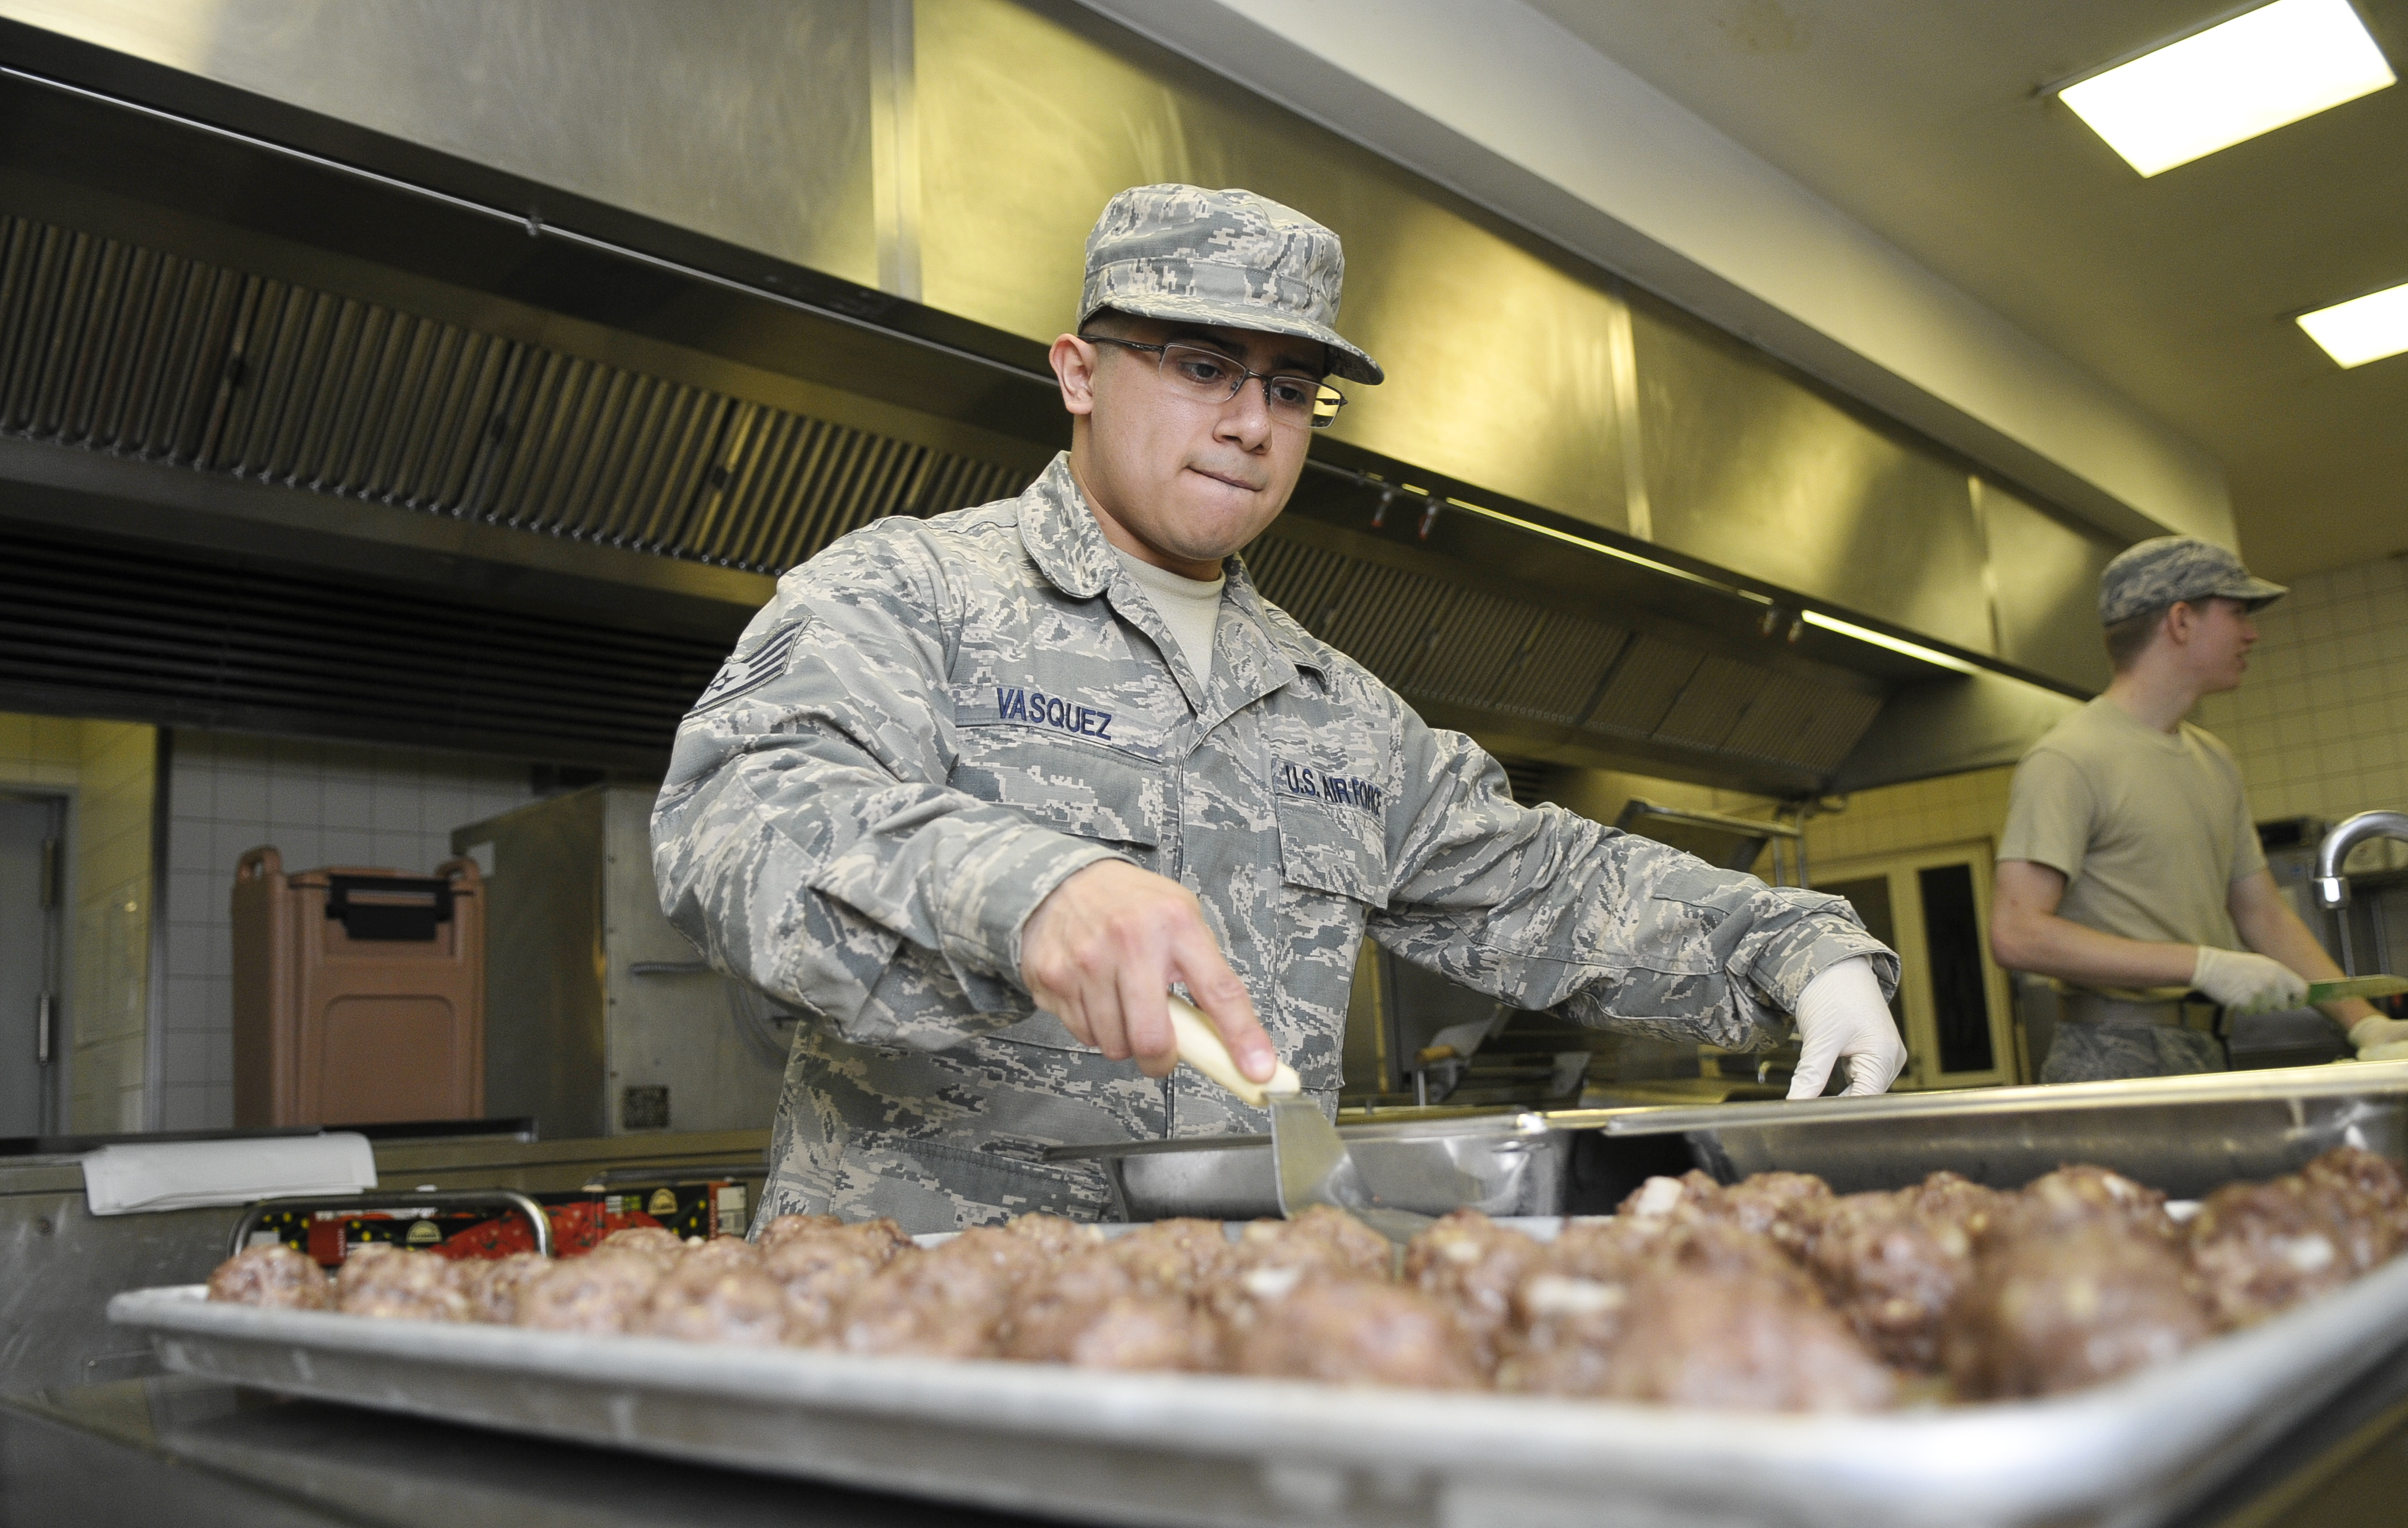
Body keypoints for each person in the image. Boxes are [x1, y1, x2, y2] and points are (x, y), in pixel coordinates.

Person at [653, 183, 1906, 1230]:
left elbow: (1549, 881)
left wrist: (1795, 947)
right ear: (1079, 373)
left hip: (1233, 1341)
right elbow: (737, 821)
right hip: (918, 1346)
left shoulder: (1334, 711)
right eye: (1201, 366)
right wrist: (1024, 890)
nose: (1251, 423)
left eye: (1291, 386)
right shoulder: (905, 593)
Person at [1989, 535, 2408, 1082]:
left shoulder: (2212, 758)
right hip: (2111, 1052)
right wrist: (2203, 964)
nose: (2252, 633)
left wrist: (2365, 1025)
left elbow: (2262, 913)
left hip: (2207, 1047)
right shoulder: (2069, 757)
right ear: (2181, 621)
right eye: (2237, 612)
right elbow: (2017, 931)